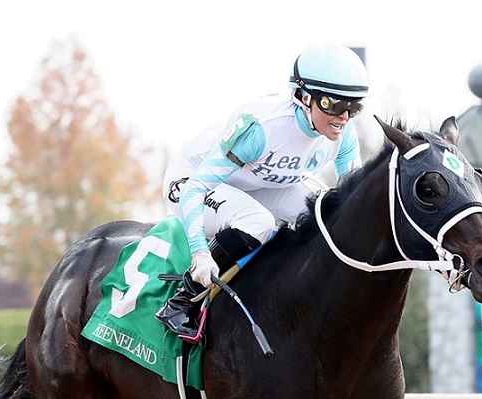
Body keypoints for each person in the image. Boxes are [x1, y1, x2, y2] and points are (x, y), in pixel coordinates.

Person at [155, 42, 369, 338]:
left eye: (353, 106)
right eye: (333, 105)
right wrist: (200, 254)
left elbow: (351, 207)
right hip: (193, 181)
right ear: (304, 98)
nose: (344, 117)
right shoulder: (262, 129)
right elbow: (196, 189)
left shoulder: (343, 137)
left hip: (259, 185)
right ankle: (182, 300)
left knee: (325, 217)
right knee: (259, 223)